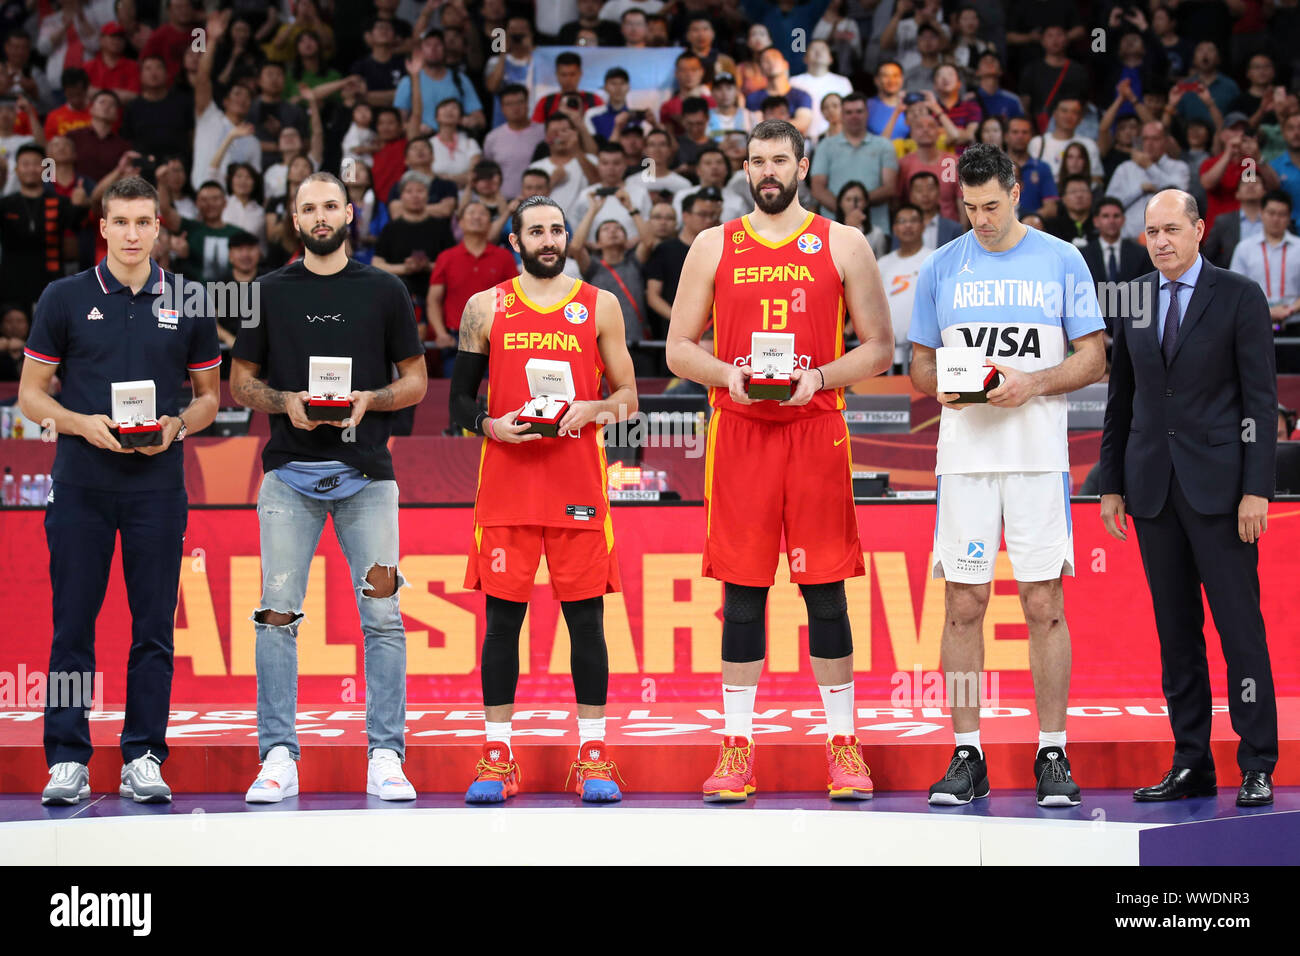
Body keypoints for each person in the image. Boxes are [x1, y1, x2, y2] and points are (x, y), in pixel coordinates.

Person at [666, 119, 894, 802]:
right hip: (739, 430)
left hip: (815, 428)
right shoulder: (713, 244)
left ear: (802, 165)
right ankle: (736, 748)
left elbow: (880, 349)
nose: (768, 171)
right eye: (757, 161)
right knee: (742, 591)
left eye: (780, 161)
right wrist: (726, 376)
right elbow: (679, 348)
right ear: (744, 167)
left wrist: (820, 376)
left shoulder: (843, 242)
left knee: (825, 588)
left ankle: (843, 745)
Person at [908, 143, 1107, 807]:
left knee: (1043, 604)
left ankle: (1053, 751)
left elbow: (1094, 359)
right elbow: (917, 370)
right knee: (963, 606)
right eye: (969, 207)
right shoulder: (942, 266)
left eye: (991, 205)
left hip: (1036, 457)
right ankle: (967, 753)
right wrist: (954, 384)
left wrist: (1034, 383)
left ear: (1017, 191)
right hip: (965, 459)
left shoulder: (1061, 258)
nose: (981, 219)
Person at [20, 176, 221, 805]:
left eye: (144, 222)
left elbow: (211, 399)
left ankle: (143, 754)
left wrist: (178, 425)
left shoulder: (188, 300)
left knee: (154, 626)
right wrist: (84, 426)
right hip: (80, 484)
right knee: (72, 627)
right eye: (121, 222)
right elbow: (31, 396)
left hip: (158, 488)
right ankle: (67, 759)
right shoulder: (64, 297)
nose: (132, 234)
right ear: (102, 227)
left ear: (159, 228)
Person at [230, 171, 428, 803]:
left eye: (329, 206)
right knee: (276, 618)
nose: (320, 217)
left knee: (384, 616)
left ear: (350, 212)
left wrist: (374, 399)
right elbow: (241, 384)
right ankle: (280, 755)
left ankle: (386, 755)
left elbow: (417, 380)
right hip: (289, 477)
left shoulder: (385, 289)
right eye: (307, 208)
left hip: (367, 478)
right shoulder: (267, 292)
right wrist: (282, 400)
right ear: (295, 220)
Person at [449, 194, 638, 804]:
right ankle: (498, 754)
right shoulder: (484, 308)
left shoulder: (599, 306)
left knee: (586, 621)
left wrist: (597, 408)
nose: (549, 239)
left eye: (557, 229)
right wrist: (489, 426)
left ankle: (593, 754)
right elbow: (458, 404)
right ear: (515, 240)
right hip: (505, 488)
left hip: (578, 487)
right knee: (503, 624)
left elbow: (630, 397)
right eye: (536, 230)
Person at [1099, 188, 1278, 808]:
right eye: (1151, 232)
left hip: (1224, 494)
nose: (1161, 242)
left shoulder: (1239, 295)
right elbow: (1121, 398)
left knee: (1240, 632)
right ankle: (1192, 761)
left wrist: (1257, 487)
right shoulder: (1133, 299)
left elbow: (1261, 401)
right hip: (1152, 490)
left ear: (1200, 229)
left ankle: (1257, 762)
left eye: (1172, 229)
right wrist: (1112, 482)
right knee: (1177, 636)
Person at [426, 200, 518, 376]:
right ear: (460, 223)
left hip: (495, 340)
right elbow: (433, 300)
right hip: (456, 341)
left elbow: (514, 298)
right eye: (471, 213)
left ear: (490, 223)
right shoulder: (446, 257)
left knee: (493, 397)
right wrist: (440, 333)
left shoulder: (504, 257)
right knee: (455, 396)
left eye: (483, 213)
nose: (477, 217)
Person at [1228, 189, 1300, 333]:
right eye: (1271, 213)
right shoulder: (1245, 248)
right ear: (1262, 213)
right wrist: (1268, 310)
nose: (1276, 219)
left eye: (1281, 214)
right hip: (1254, 323)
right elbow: (1234, 290)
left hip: (1294, 322)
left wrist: (1290, 309)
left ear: (1289, 216)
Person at [1107, 121, 1191, 240]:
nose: (1149, 144)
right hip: (1130, 240)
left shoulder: (1179, 168)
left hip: (1166, 240)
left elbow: (1179, 199)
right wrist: (1139, 190)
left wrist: (1149, 167)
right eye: (1145, 139)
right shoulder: (1125, 169)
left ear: (1166, 141)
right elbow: (1111, 205)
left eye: (1155, 139)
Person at [877, 202, 933, 372]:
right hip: (888, 354)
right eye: (902, 221)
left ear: (923, 226)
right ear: (894, 228)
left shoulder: (934, 259)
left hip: (925, 352)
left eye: (913, 221)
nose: (907, 225)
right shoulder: (882, 264)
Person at [1202, 177, 1266, 268]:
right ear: (1237, 194)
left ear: (1264, 191)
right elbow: (1208, 255)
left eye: (1256, 182)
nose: (1251, 185)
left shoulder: (1276, 220)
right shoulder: (1224, 222)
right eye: (1245, 183)